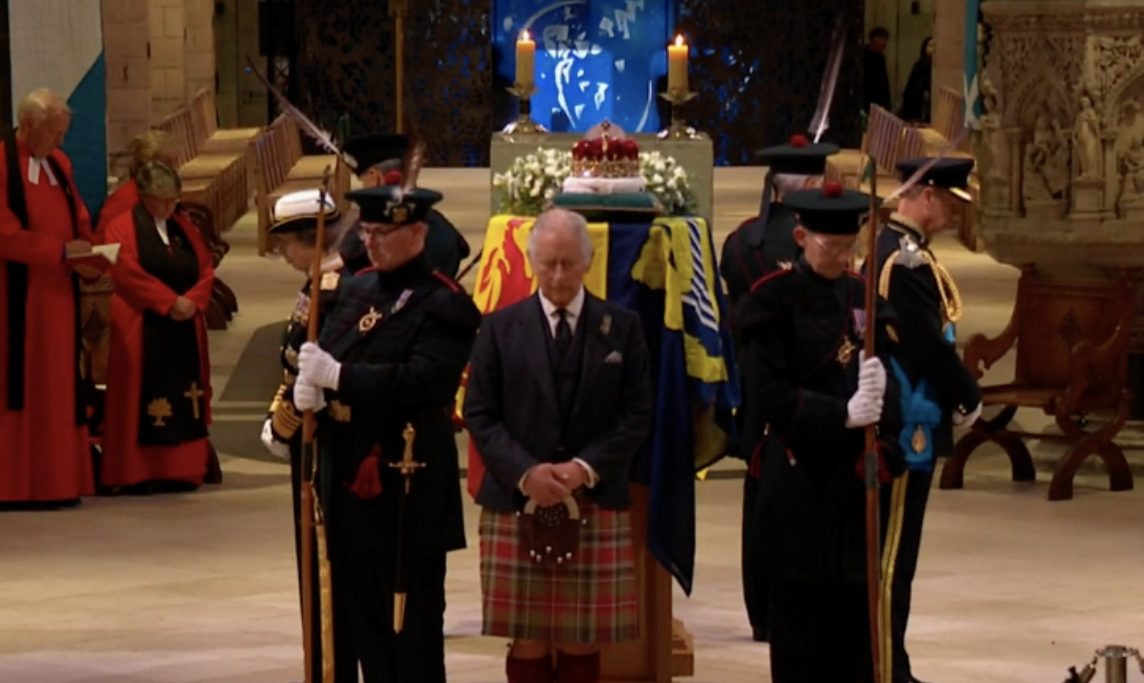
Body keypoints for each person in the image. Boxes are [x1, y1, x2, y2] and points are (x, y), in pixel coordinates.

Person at [293, 184, 480, 682]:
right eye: (367, 231)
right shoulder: (353, 290)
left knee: (410, 626)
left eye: (383, 233)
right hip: (348, 478)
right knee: (363, 622)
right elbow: (329, 353)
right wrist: (312, 393)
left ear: (417, 233)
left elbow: (423, 381)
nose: (370, 243)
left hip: (407, 485)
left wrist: (340, 378)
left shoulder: (444, 304)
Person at [463, 208, 653, 683]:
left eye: (569, 263)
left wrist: (584, 468)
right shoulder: (499, 328)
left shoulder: (622, 326)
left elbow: (637, 414)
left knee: (581, 636)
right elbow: (479, 414)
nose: (559, 276)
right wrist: (526, 473)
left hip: (595, 496)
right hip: (515, 499)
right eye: (549, 264)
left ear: (588, 261)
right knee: (526, 635)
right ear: (532, 263)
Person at [735, 182, 903, 682]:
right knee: (800, 633)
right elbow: (767, 394)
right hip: (799, 484)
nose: (841, 257)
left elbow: (887, 375)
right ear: (801, 237)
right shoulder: (772, 301)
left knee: (854, 631)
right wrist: (839, 415)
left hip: (852, 485)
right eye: (830, 247)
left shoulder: (861, 296)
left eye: (850, 247)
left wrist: (883, 404)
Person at [719, 133, 837, 642]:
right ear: (811, 186)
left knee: (760, 505)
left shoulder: (742, 242)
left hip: (757, 388)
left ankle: (762, 611)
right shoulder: (822, 241)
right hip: (817, 390)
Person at [871, 157, 982, 683]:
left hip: (907, 412)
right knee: (893, 557)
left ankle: (890, 661)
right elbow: (926, 347)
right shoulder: (904, 261)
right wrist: (967, 394)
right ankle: (887, 667)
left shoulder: (899, 249)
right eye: (951, 204)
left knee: (896, 555)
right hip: (907, 419)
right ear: (928, 195)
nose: (955, 216)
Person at [258, 187, 354, 681]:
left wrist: (285, 424)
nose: (283, 254)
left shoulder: (333, 291)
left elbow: (309, 369)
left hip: (323, 445)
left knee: (323, 573)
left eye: (286, 244)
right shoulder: (318, 284)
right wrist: (279, 420)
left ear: (310, 239)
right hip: (302, 433)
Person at [0, 88, 100, 507]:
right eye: (54, 133)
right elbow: (4, 232)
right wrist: (57, 250)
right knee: (20, 385)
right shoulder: (2, 163)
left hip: (58, 296)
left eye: (63, 133)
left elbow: (78, 216)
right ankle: (17, 485)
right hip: (16, 300)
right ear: (27, 126)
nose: (61, 142)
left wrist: (89, 254)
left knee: (57, 388)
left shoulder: (60, 163)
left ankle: (56, 481)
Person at [99, 161, 214, 492]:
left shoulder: (184, 227)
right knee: (140, 399)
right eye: (162, 201)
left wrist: (192, 300)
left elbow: (206, 267)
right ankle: (139, 472)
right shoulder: (122, 227)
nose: (169, 207)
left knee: (186, 396)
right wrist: (168, 302)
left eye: (174, 200)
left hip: (185, 324)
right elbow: (126, 272)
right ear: (144, 196)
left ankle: (183, 469)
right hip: (141, 325)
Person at [342, 133, 471, 278]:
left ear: (376, 178)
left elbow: (347, 262)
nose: (369, 241)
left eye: (363, 181)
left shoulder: (372, 232)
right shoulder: (445, 230)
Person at [95, 130, 177, 241]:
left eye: (175, 162)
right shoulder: (124, 200)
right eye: (167, 163)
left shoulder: (166, 197)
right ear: (148, 165)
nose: (174, 169)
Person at [899, 37, 935, 124]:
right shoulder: (920, 65)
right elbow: (911, 87)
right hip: (916, 104)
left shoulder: (936, 68)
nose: (932, 48)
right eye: (930, 45)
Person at [864, 27, 893, 112]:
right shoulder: (863, 56)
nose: (883, 43)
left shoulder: (880, 58)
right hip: (866, 99)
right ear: (872, 39)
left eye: (885, 40)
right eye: (880, 39)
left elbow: (883, 81)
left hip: (879, 101)